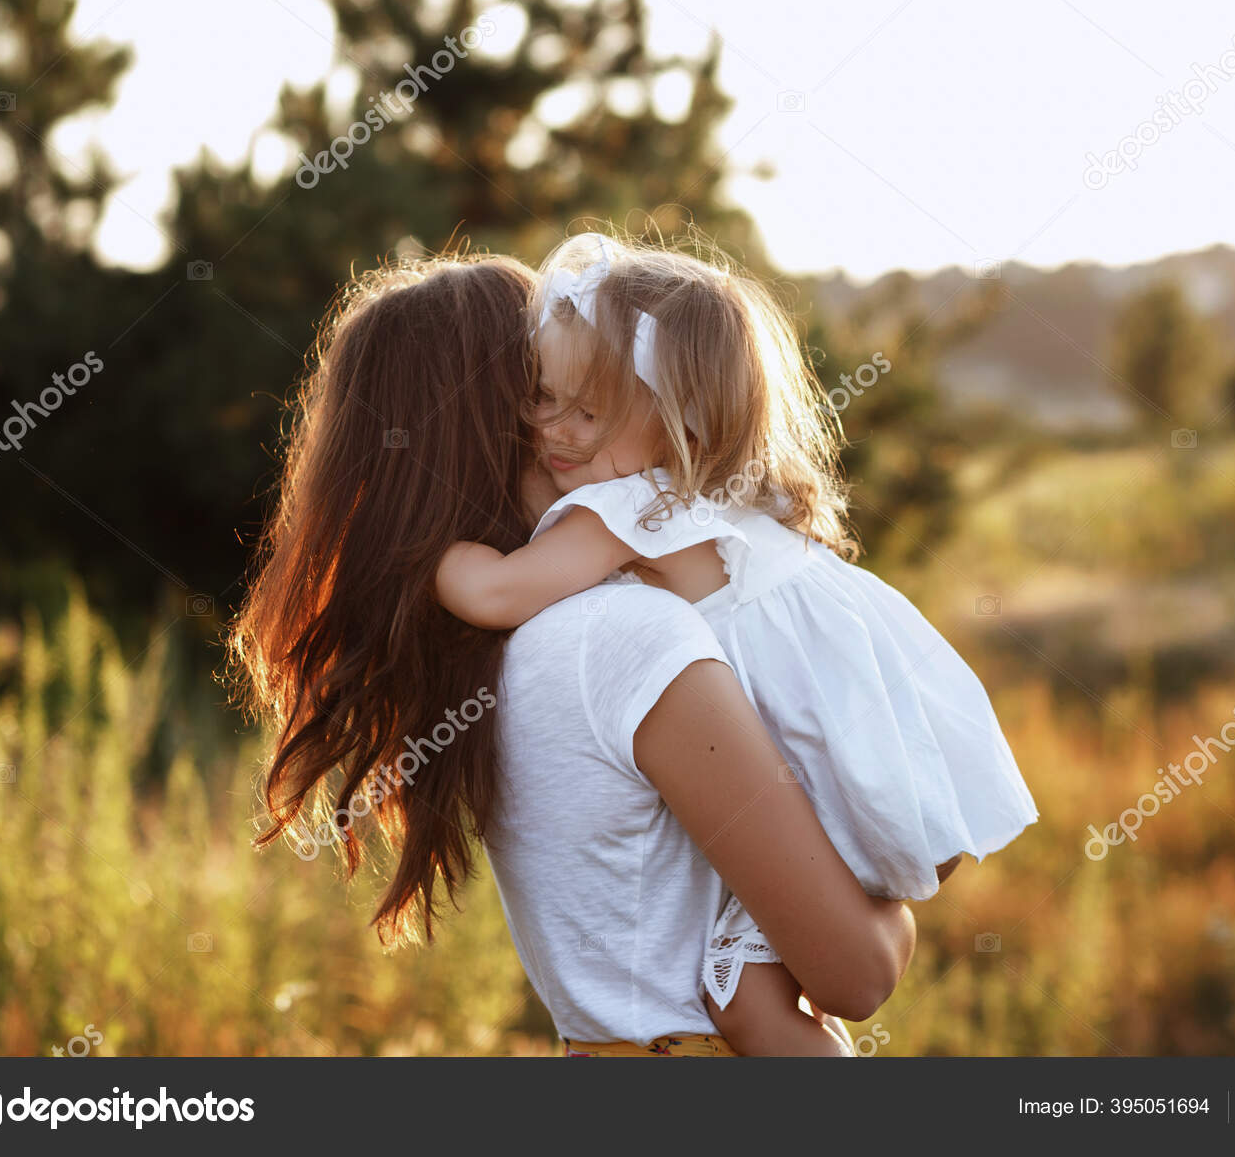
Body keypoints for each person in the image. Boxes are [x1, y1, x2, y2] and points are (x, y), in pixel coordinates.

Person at [230, 253, 914, 1057]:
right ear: (501, 420)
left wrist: (402, 552)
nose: (565, 422)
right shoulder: (623, 638)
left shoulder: (504, 646)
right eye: (543, 392)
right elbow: (856, 975)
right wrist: (899, 900)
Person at [436, 233, 1039, 1055]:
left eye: (590, 411)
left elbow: (497, 592)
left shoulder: (624, 511)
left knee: (749, 1002)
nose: (554, 431)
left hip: (812, 753)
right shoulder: (714, 501)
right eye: (545, 398)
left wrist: (434, 546)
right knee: (805, 970)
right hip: (874, 742)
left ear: (678, 419)